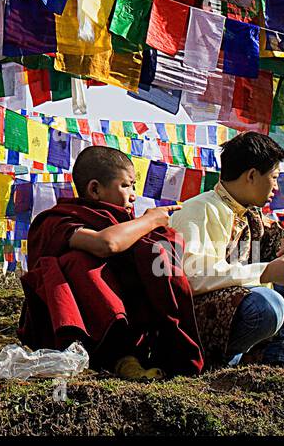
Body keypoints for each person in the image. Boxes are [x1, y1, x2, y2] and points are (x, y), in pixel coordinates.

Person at [19, 145, 205, 379]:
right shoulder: (59, 220)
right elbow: (106, 244)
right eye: (126, 185)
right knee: (78, 261)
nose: (134, 195)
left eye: (134, 186)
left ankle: (145, 353)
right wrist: (150, 220)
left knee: (151, 253)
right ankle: (114, 356)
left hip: (133, 327)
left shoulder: (124, 225)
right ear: (95, 189)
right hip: (73, 329)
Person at [168, 132, 284, 369]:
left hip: (243, 306)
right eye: (274, 177)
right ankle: (222, 362)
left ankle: (283, 354)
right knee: (267, 304)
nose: (276, 186)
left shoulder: (252, 217)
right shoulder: (197, 209)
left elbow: (280, 239)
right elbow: (192, 276)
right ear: (252, 176)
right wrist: (265, 272)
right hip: (198, 318)